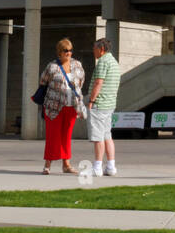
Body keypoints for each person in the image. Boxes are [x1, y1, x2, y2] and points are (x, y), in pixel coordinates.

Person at [39, 38, 85, 174]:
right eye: (66, 51)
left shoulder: (77, 65)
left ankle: (66, 165)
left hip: (71, 106)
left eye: (70, 50)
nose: (69, 53)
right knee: (52, 136)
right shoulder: (52, 66)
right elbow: (43, 81)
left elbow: (81, 82)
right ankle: (47, 164)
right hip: (54, 106)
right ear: (59, 52)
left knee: (66, 136)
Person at [87, 37, 121, 177]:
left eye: (94, 48)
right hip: (110, 104)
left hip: (100, 104)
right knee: (107, 135)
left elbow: (98, 83)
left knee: (98, 136)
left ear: (101, 49)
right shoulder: (113, 62)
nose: (93, 51)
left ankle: (97, 167)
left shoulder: (102, 62)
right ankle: (111, 166)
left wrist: (91, 100)